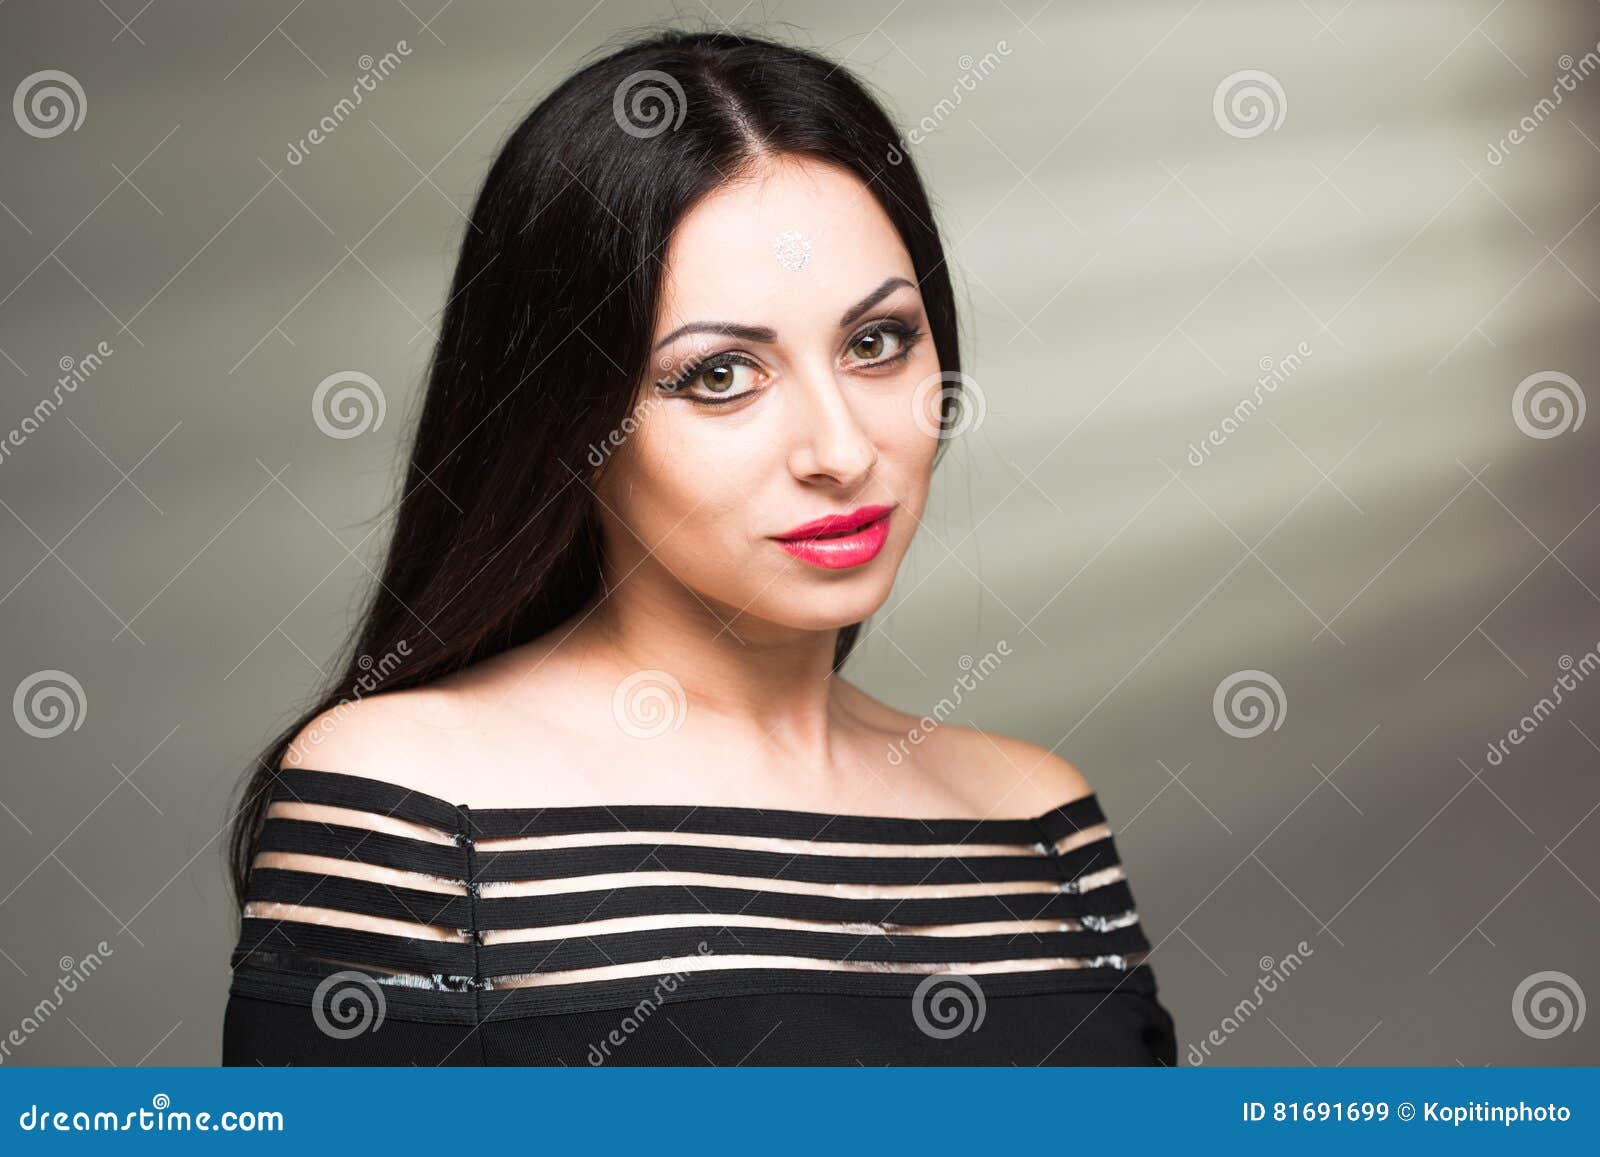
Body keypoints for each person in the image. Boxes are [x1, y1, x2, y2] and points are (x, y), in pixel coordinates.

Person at [222, 26, 1176, 1066]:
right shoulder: (412, 804)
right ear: (567, 418)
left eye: (875, 342)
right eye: (719, 374)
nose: (841, 450)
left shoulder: (1034, 816)